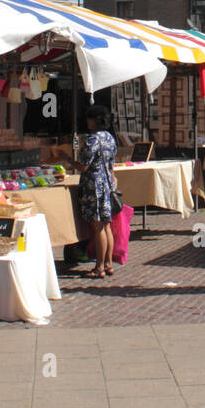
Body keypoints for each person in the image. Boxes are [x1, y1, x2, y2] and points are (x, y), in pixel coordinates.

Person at [72, 104, 119, 279]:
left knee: (98, 226)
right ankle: (108, 264)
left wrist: (68, 159)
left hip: (93, 186)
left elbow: (83, 166)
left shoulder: (92, 140)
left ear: (95, 120)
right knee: (106, 225)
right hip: (106, 185)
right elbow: (111, 165)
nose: (87, 121)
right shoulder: (110, 138)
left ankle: (99, 267)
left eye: (89, 118)